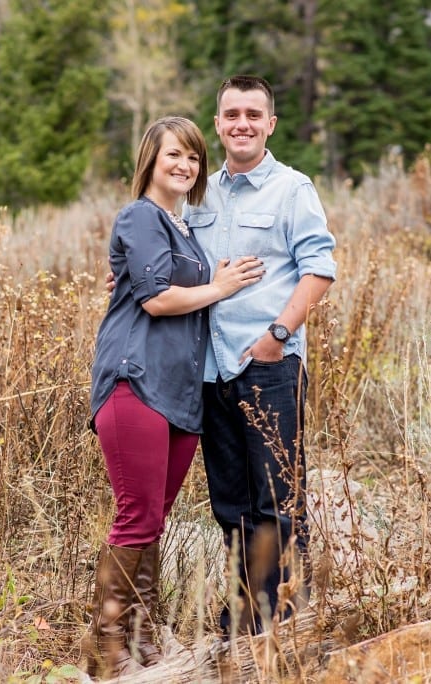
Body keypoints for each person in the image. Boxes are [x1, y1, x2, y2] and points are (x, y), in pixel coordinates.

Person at [82, 116, 265, 678]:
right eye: (173, 156)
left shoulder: (183, 228)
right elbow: (159, 299)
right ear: (151, 162)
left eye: (192, 157)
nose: (184, 166)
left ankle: (140, 634)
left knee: (154, 519)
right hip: (135, 381)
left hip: (180, 395)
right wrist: (221, 287)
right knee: (137, 517)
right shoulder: (140, 216)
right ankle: (107, 644)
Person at [185, 75, 337, 636]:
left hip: (268, 364)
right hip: (209, 369)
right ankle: (244, 610)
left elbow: (320, 268)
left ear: (270, 124)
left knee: (277, 497)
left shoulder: (293, 189)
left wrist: (278, 334)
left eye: (253, 114)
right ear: (218, 123)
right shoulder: (200, 192)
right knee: (229, 502)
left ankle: (282, 615)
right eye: (231, 114)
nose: (241, 123)